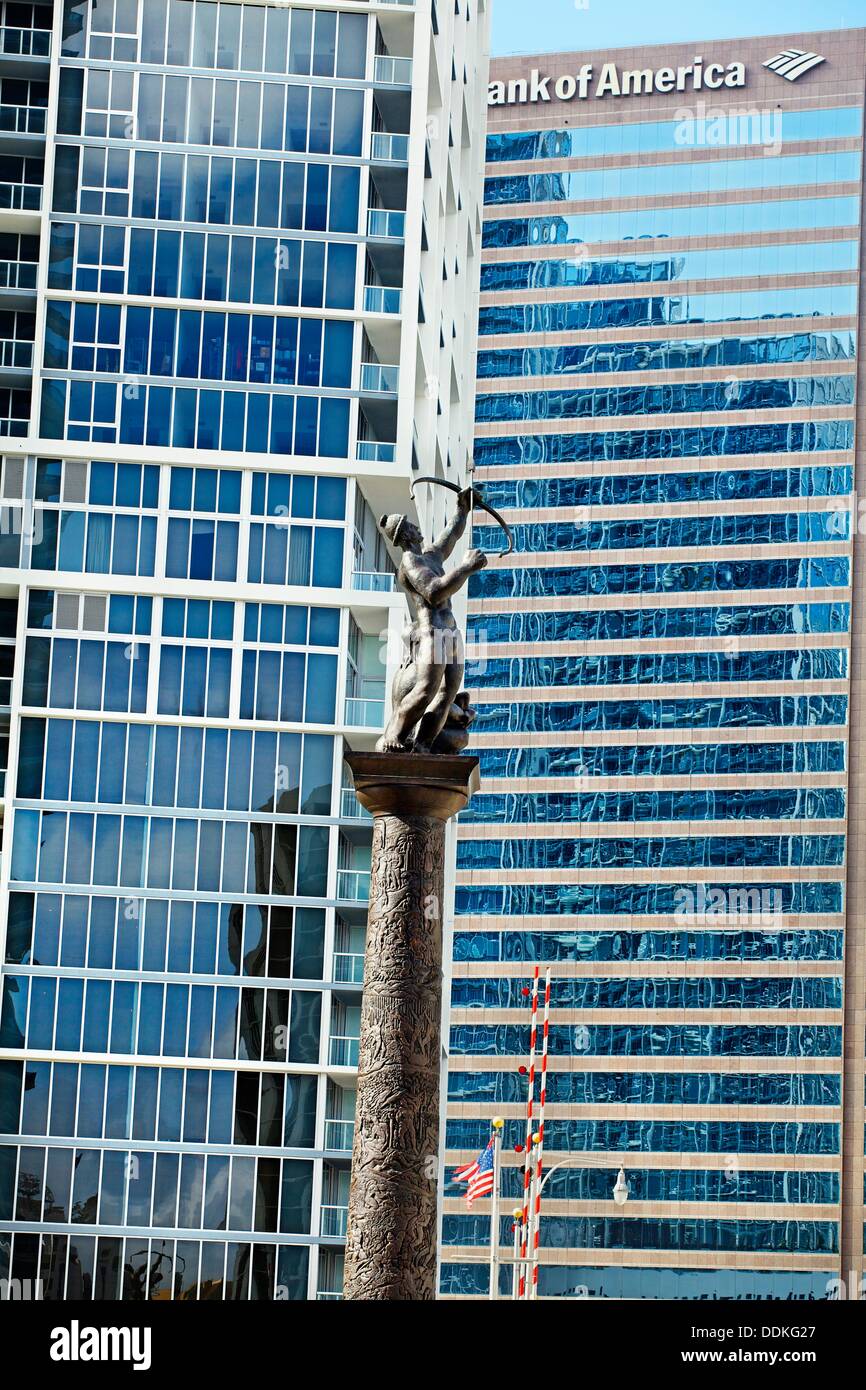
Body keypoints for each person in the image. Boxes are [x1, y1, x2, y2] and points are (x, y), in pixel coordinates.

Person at [377, 488, 486, 753]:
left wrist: (463, 509)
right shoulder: (410, 561)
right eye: (411, 526)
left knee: (447, 697)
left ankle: (423, 745)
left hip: (451, 635)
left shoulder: (429, 556)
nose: (417, 527)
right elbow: (435, 592)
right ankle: (395, 733)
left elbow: (451, 536)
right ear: (406, 534)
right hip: (433, 634)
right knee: (426, 690)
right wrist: (466, 568)